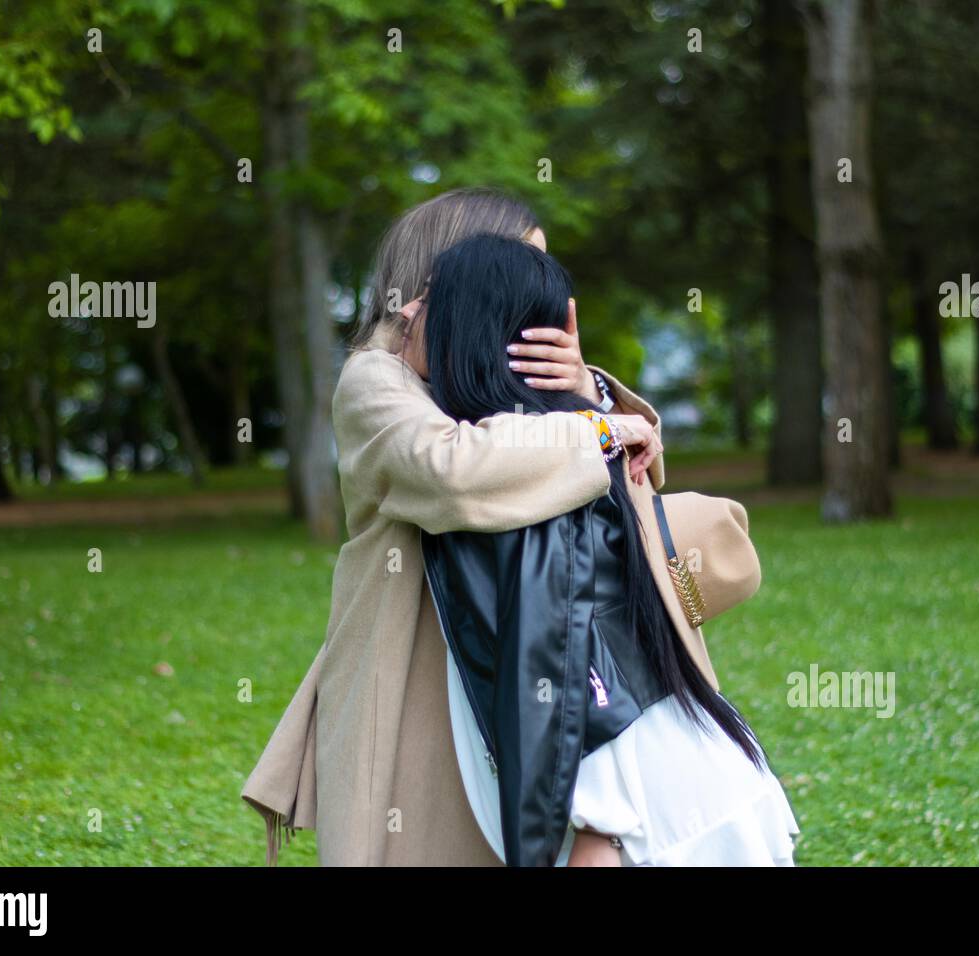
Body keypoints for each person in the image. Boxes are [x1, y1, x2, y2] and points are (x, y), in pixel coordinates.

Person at [241, 187, 668, 865]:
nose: (535, 301)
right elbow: (453, 472)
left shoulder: (502, 365)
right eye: (517, 271)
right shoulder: (375, 379)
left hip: (527, 652)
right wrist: (596, 427)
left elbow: (628, 475)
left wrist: (586, 393)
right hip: (418, 667)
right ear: (449, 272)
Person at [415, 232, 800, 866]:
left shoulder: (519, 473)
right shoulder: (577, 449)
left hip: (659, 813)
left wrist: (600, 826)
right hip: (707, 775)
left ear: (465, 325)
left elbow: (569, 673)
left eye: (432, 300)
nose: (411, 312)